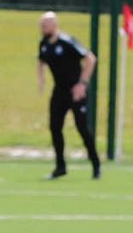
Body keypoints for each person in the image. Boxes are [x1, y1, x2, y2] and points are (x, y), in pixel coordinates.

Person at [36, 12, 100, 179]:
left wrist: (82, 84)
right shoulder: (43, 44)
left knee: (82, 128)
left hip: (76, 91)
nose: (42, 28)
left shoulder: (67, 42)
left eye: (45, 25)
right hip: (59, 91)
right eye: (41, 25)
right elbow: (41, 60)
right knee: (55, 127)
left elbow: (91, 59)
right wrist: (41, 78)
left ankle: (96, 164)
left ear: (55, 25)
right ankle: (60, 167)